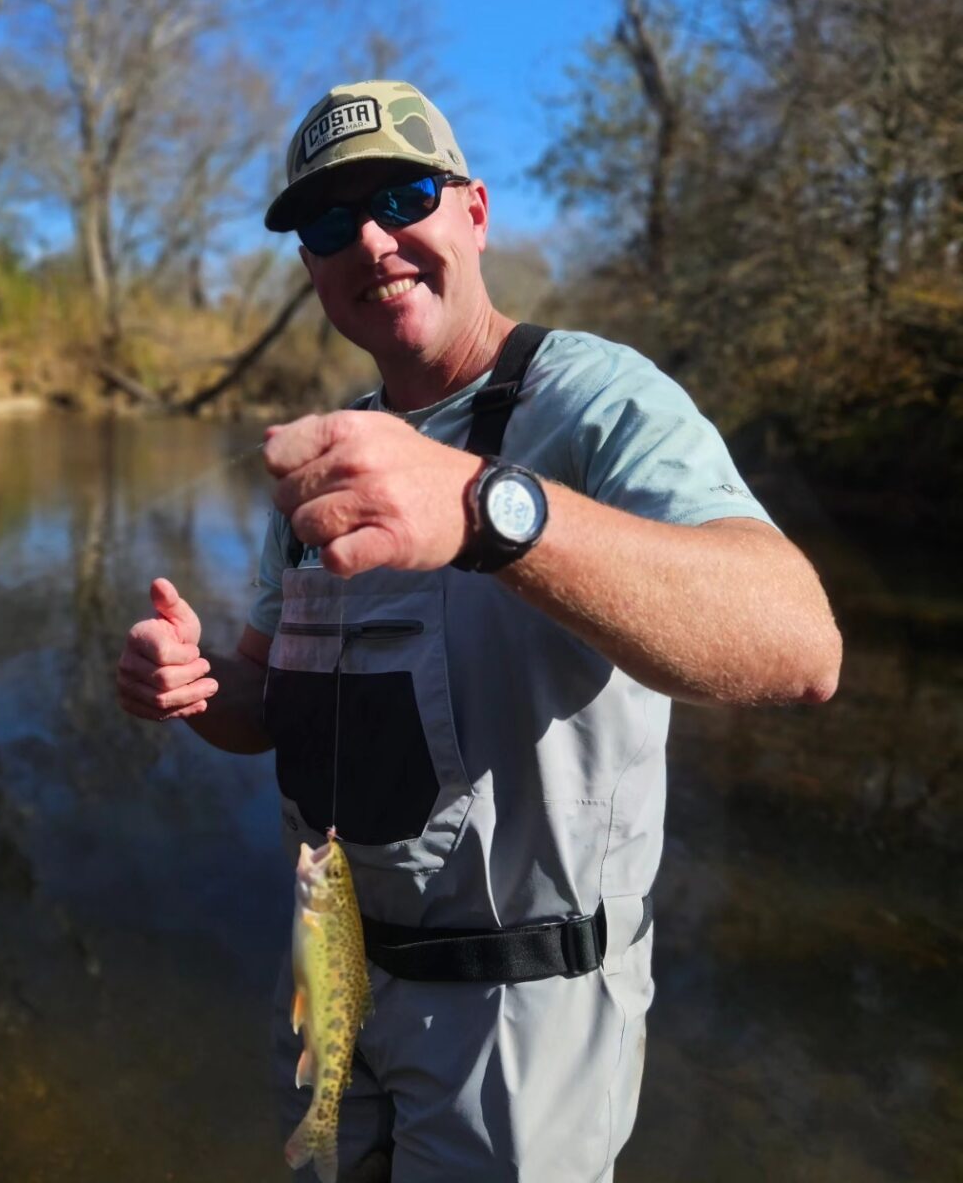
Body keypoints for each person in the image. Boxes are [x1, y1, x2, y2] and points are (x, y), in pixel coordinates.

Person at [116, 81, 842, 1183]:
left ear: (475, 212)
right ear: (311, 265)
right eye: (327, 222)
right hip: (329, 974)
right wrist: (195, 683)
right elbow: (266, 711)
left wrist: (483, 510)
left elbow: (799, 646)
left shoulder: (600, 401)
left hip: (523, 1023)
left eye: (402, 195)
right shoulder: (328, 457)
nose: (371, 239)